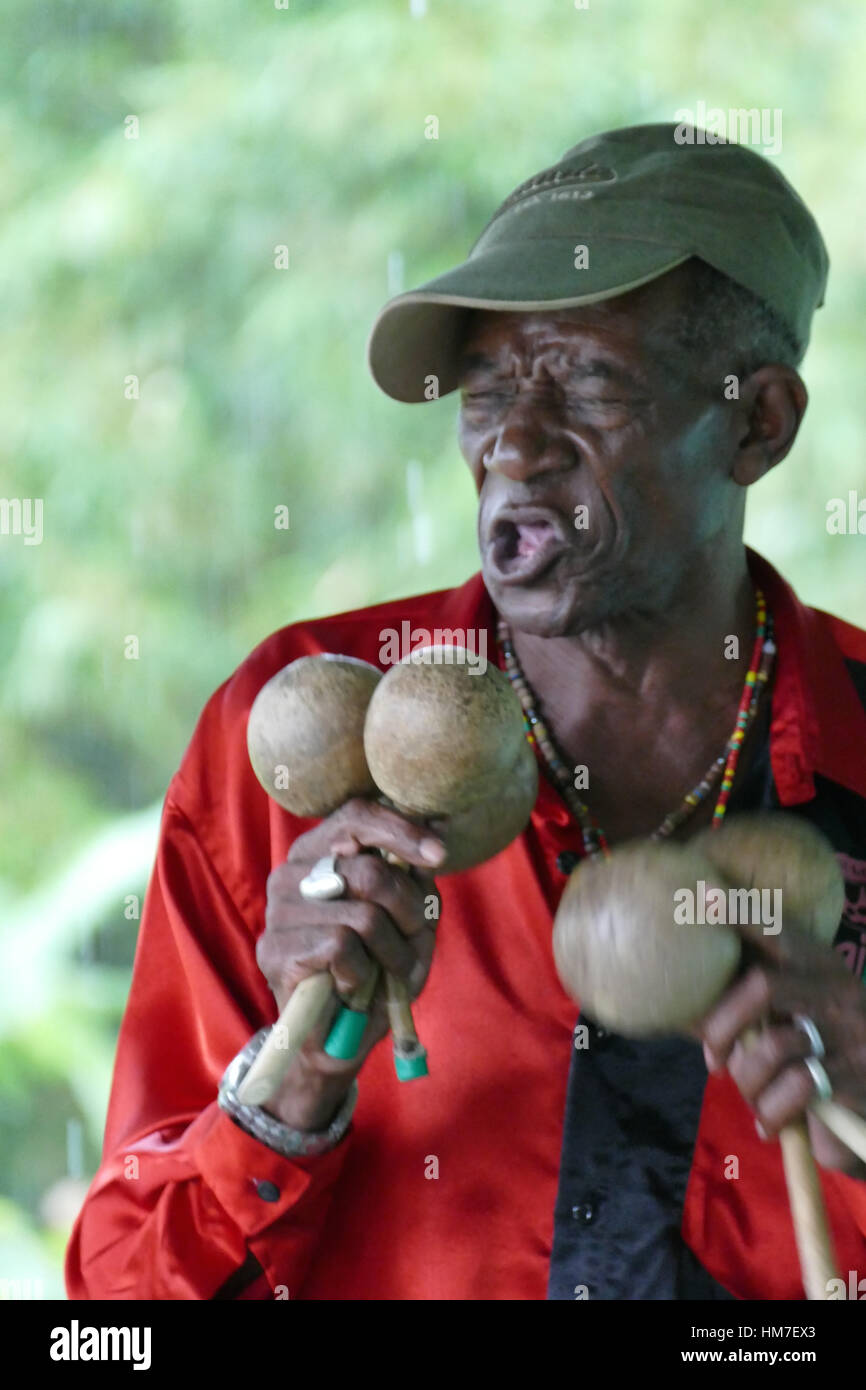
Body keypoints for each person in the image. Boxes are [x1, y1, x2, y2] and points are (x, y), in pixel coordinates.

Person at [66, 123, 866, 1301]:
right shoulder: (293, 742)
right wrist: (295, 1073)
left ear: (758, 423)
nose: (513, 443)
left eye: (587, 380)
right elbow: (114, 1313)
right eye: (487, 389)